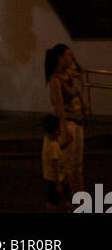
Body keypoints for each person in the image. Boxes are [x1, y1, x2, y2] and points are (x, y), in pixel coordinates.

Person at [45, 43, 88, 196]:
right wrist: (64, 128)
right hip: (68, 123)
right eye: (68, 56)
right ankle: (74, 197)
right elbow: (59, 106)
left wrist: (74, 59)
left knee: (78, 163)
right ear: (60, 58)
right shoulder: (56, 80)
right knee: (69, 165)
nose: (71, 58)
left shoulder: (69, 73)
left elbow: (81, 72)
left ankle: (81, 195)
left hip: (78, 121)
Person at [41, 115, 66, 213]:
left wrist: (66, 143)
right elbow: (55, 164)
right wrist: (58, 183)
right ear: (55, 130)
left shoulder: (48, 140)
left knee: (52, 200)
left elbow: (57, 150)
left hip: (50, 177)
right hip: (55, 179)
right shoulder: (53, 145)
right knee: (53, 201)